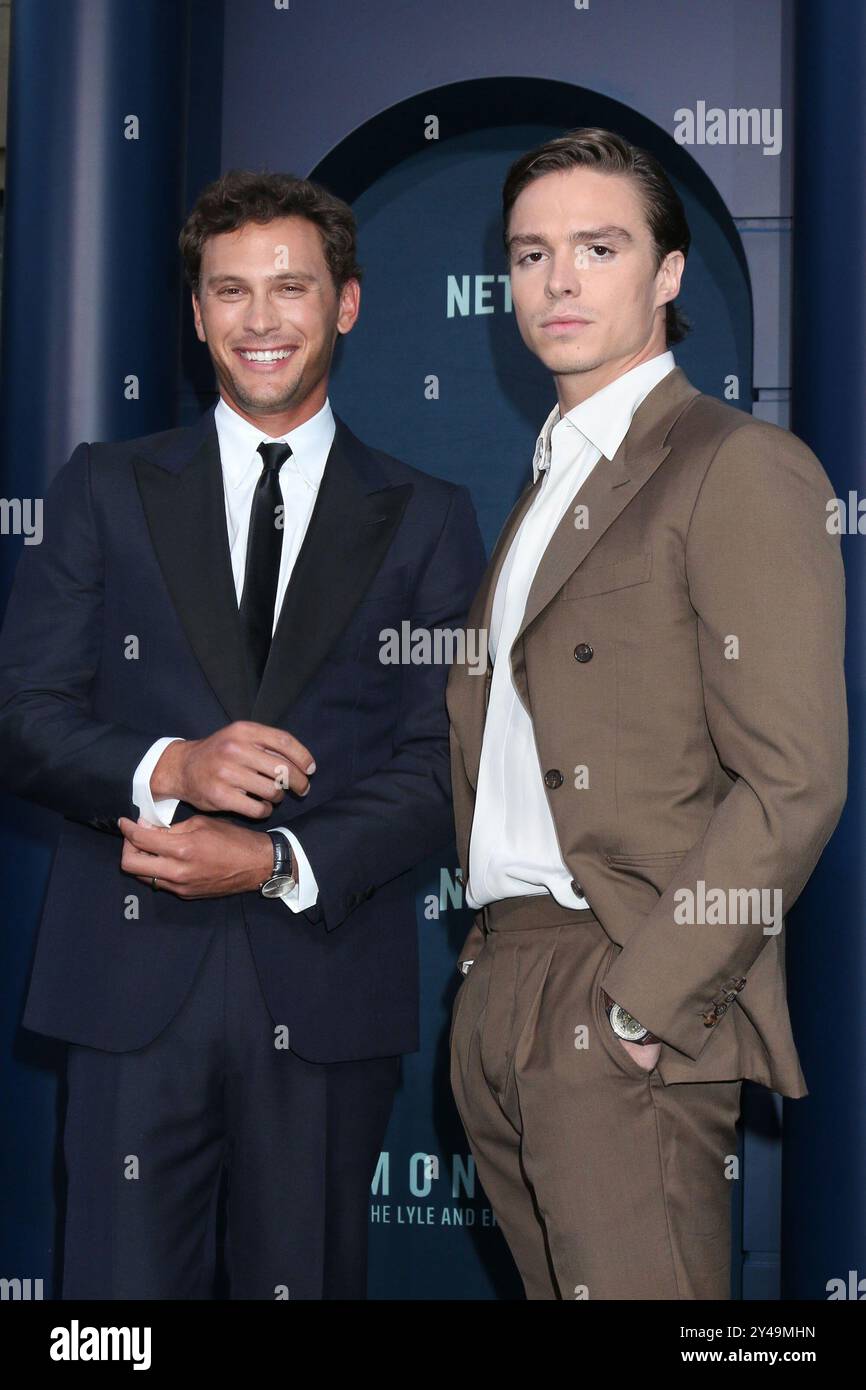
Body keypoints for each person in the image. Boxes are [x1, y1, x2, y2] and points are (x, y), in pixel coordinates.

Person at [0, 169, 485, 1299]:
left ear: (347, 303)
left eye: (289, 288)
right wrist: (172, 764)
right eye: (229, 291)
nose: (259, 320)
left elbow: (444, 759)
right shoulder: (103, 487)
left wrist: (276, 859)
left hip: (319, 992)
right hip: (126, 987)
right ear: (197, 311)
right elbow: (21, 713)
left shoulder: (426, 514)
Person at [446, 128, 847, 1300]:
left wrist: (643, 1003)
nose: (556, 280)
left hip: (619, 985)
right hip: (504, 979)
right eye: (529, 254)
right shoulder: (545, 481)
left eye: (597, 246)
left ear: (667, 275)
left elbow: (793, 778)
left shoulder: (736, 464)